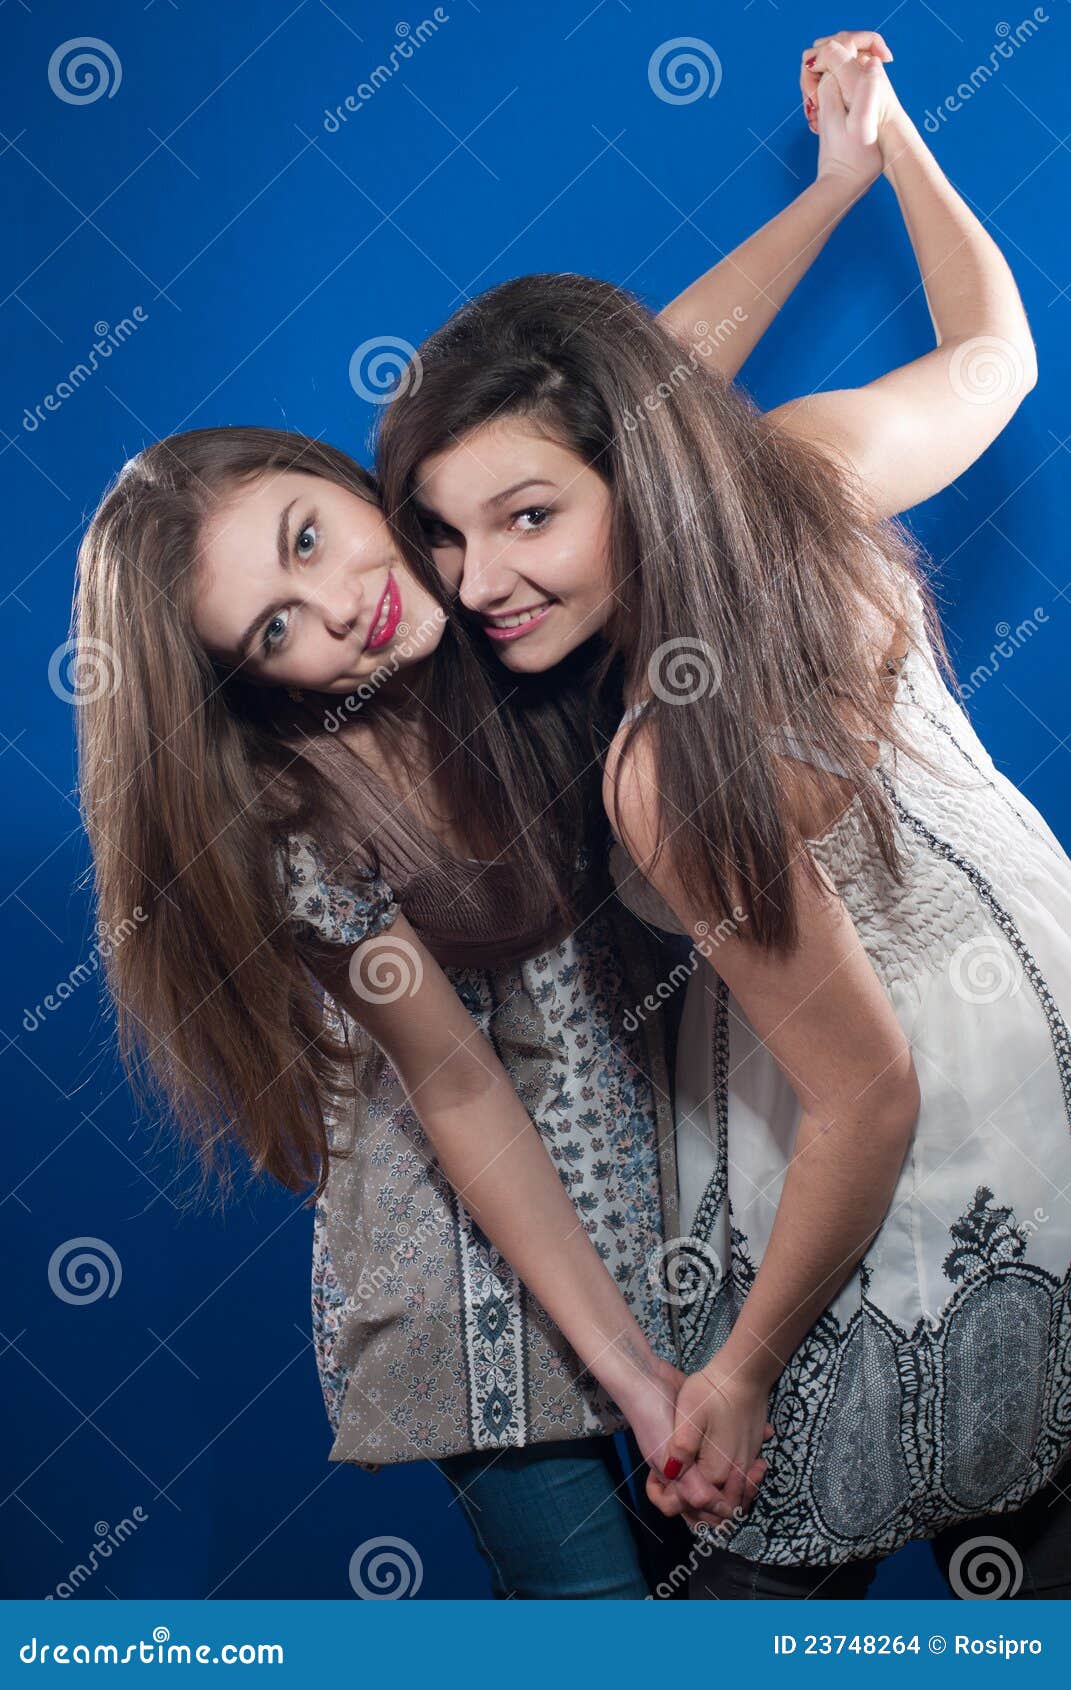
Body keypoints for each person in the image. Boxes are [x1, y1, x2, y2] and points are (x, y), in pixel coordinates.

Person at [373, 34, 1071, 1598]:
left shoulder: (659, 761)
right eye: (443, 535)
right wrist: (871, 166)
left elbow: (868, 1096)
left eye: (525, 521)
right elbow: (994, 352)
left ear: (627, 480)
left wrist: (742, 1369)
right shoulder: (808, 472)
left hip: (894, 1158)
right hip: (1050, 1050)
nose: (476, 583)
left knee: (770, 1574)